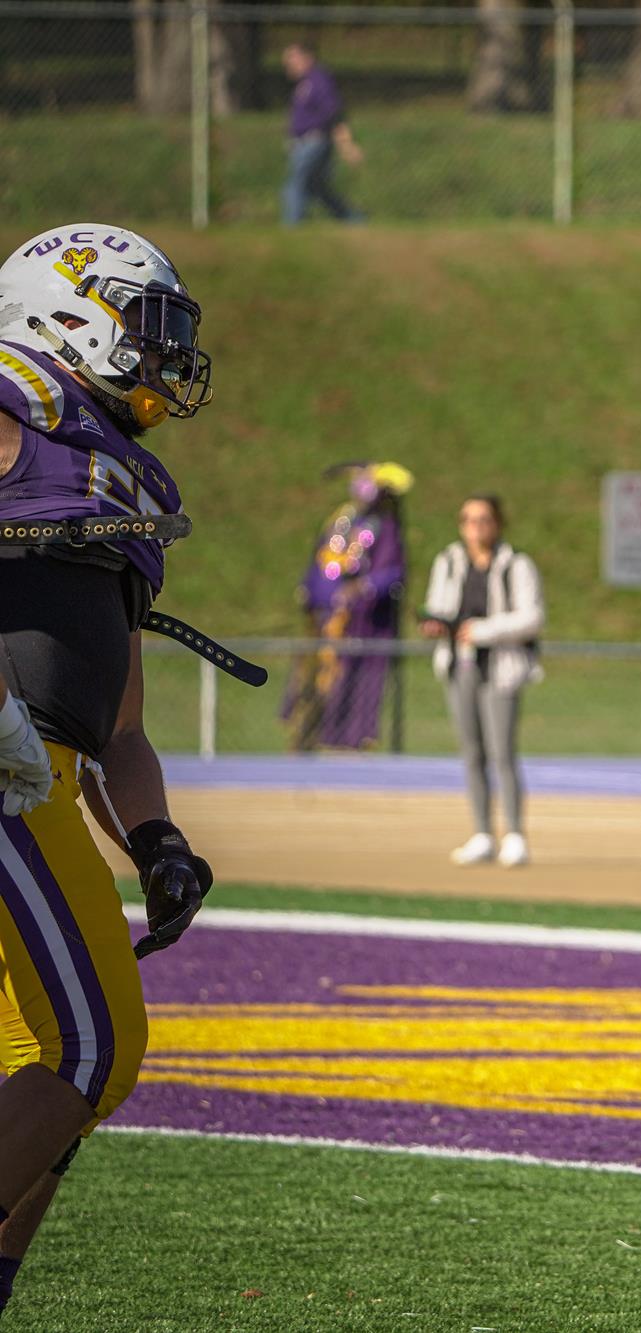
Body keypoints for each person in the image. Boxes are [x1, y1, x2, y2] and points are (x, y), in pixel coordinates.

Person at [0, 222, 221, 1315]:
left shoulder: (113, 473)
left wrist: (157, 841)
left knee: (39, 1081)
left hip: (41, 769)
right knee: (92, 1046)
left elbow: (117, 728)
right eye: (148, 326)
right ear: (68, 311)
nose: (166, 354)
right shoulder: (14, 403)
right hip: (6, 768)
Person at [420, 494, 544, 868]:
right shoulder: (448, 562)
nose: (475, 527)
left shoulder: (516, 565)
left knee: (501, 751)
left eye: (483, 519)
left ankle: (515, 834)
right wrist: (435, 624)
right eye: (468, 520)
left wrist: (483, 631)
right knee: (471, 753)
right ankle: (482, 833)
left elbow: (531, 617)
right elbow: (438, 605)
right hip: (460, 666)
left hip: (501, 668)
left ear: (497, 523)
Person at [283, 461, 409, 751]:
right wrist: (309, 588)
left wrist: (359, 589)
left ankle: (344, 743)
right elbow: (321, 557)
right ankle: (305, 738)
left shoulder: (385, 527)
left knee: (344, 686)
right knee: (310, 681)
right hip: (322, 620)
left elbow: (392, 572)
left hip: (356, 626)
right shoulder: (342, 518)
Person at [281, 41, 364, 226]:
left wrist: (347, 144)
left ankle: (291, 229)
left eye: (292, 58)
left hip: (314, 142)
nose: (287, 63)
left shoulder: (318, 80)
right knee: (318, 189)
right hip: (304, 143)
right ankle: (355, 221)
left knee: (294, 187)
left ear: (307, 58)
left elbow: (334, 113)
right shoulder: (305, 83)